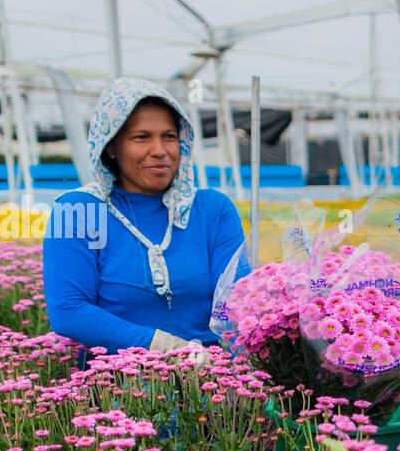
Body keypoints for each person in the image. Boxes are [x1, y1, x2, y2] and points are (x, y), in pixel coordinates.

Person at [43, 77, 249, 368]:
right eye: (141, 137)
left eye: (168, 136)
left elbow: (238, 298)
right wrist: (163, 347)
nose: (160, 150)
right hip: (121, 386)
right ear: (111, 145)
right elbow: (69, 310)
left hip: (212, 378)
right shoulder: (78, 210)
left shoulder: (212, 209)